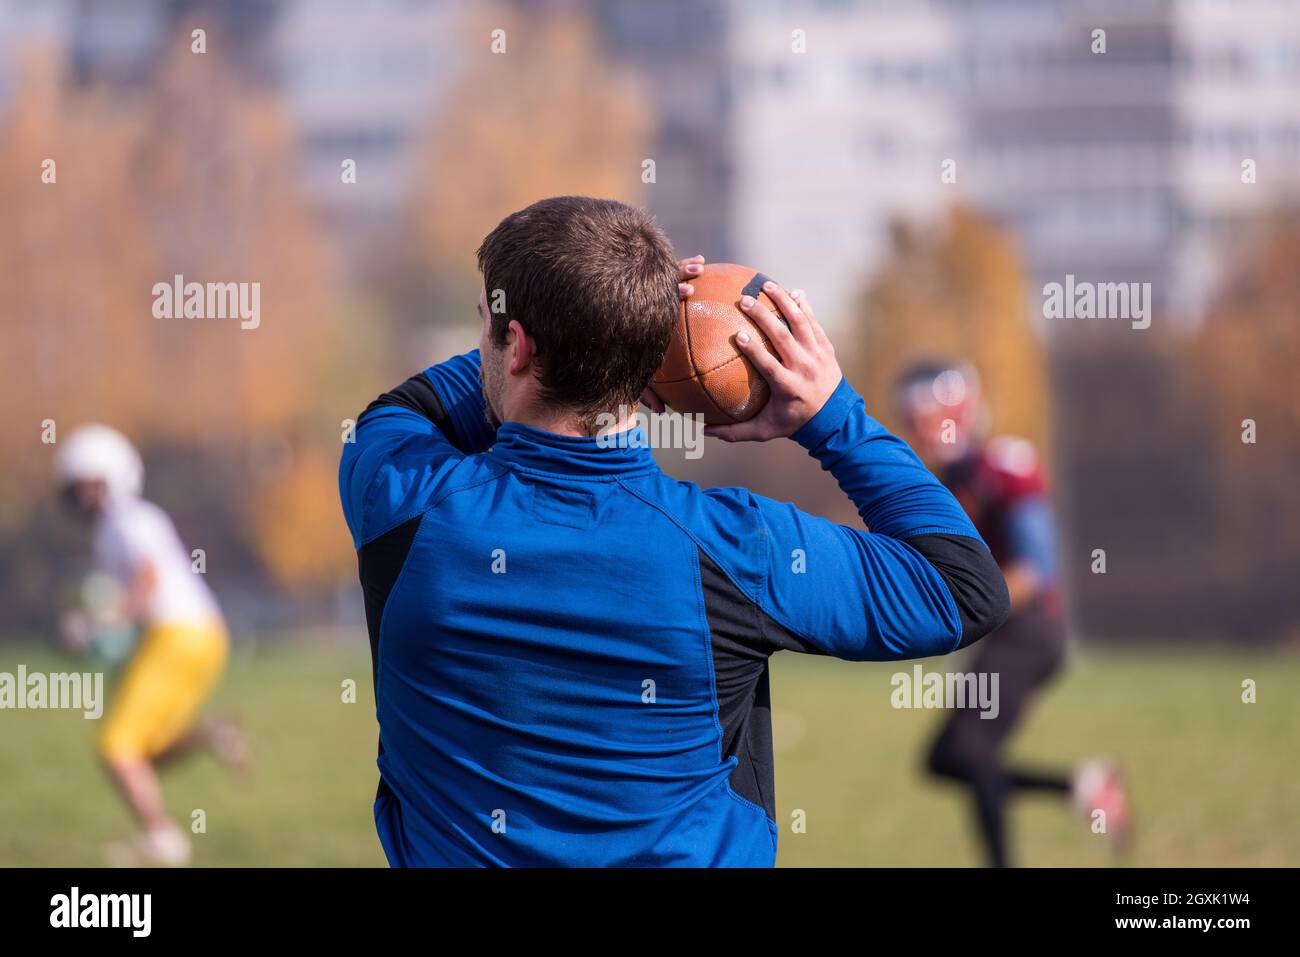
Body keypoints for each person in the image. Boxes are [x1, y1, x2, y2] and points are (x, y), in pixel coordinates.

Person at [339, 195, 1009, 867]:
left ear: (514, 346)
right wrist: (833, 416)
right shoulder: (733, 547)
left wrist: (599, 321)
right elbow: (963, 586)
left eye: (485, 324)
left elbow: (410, 407)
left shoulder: (396, 496)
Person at [893, 360, 1131, 867]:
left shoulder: (1003, 465)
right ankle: (1086, 786)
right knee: (948, 758)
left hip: (1031, 633)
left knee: (968, 752)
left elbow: (1036, 568)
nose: (917, 430)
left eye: (925, 417)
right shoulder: (950, 481)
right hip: (1002, 633)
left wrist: (964, 610)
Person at [55, 424, 245, 866]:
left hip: (176, 635)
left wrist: (98, 623)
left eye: (88, 485)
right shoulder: (126, 521)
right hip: (202, 635)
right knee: (145, 753)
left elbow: (150, 577)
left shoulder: (126, 520)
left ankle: (163, 840)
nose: (81, 497)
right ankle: (210, 736)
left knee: (116, 747)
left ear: (109, 478)